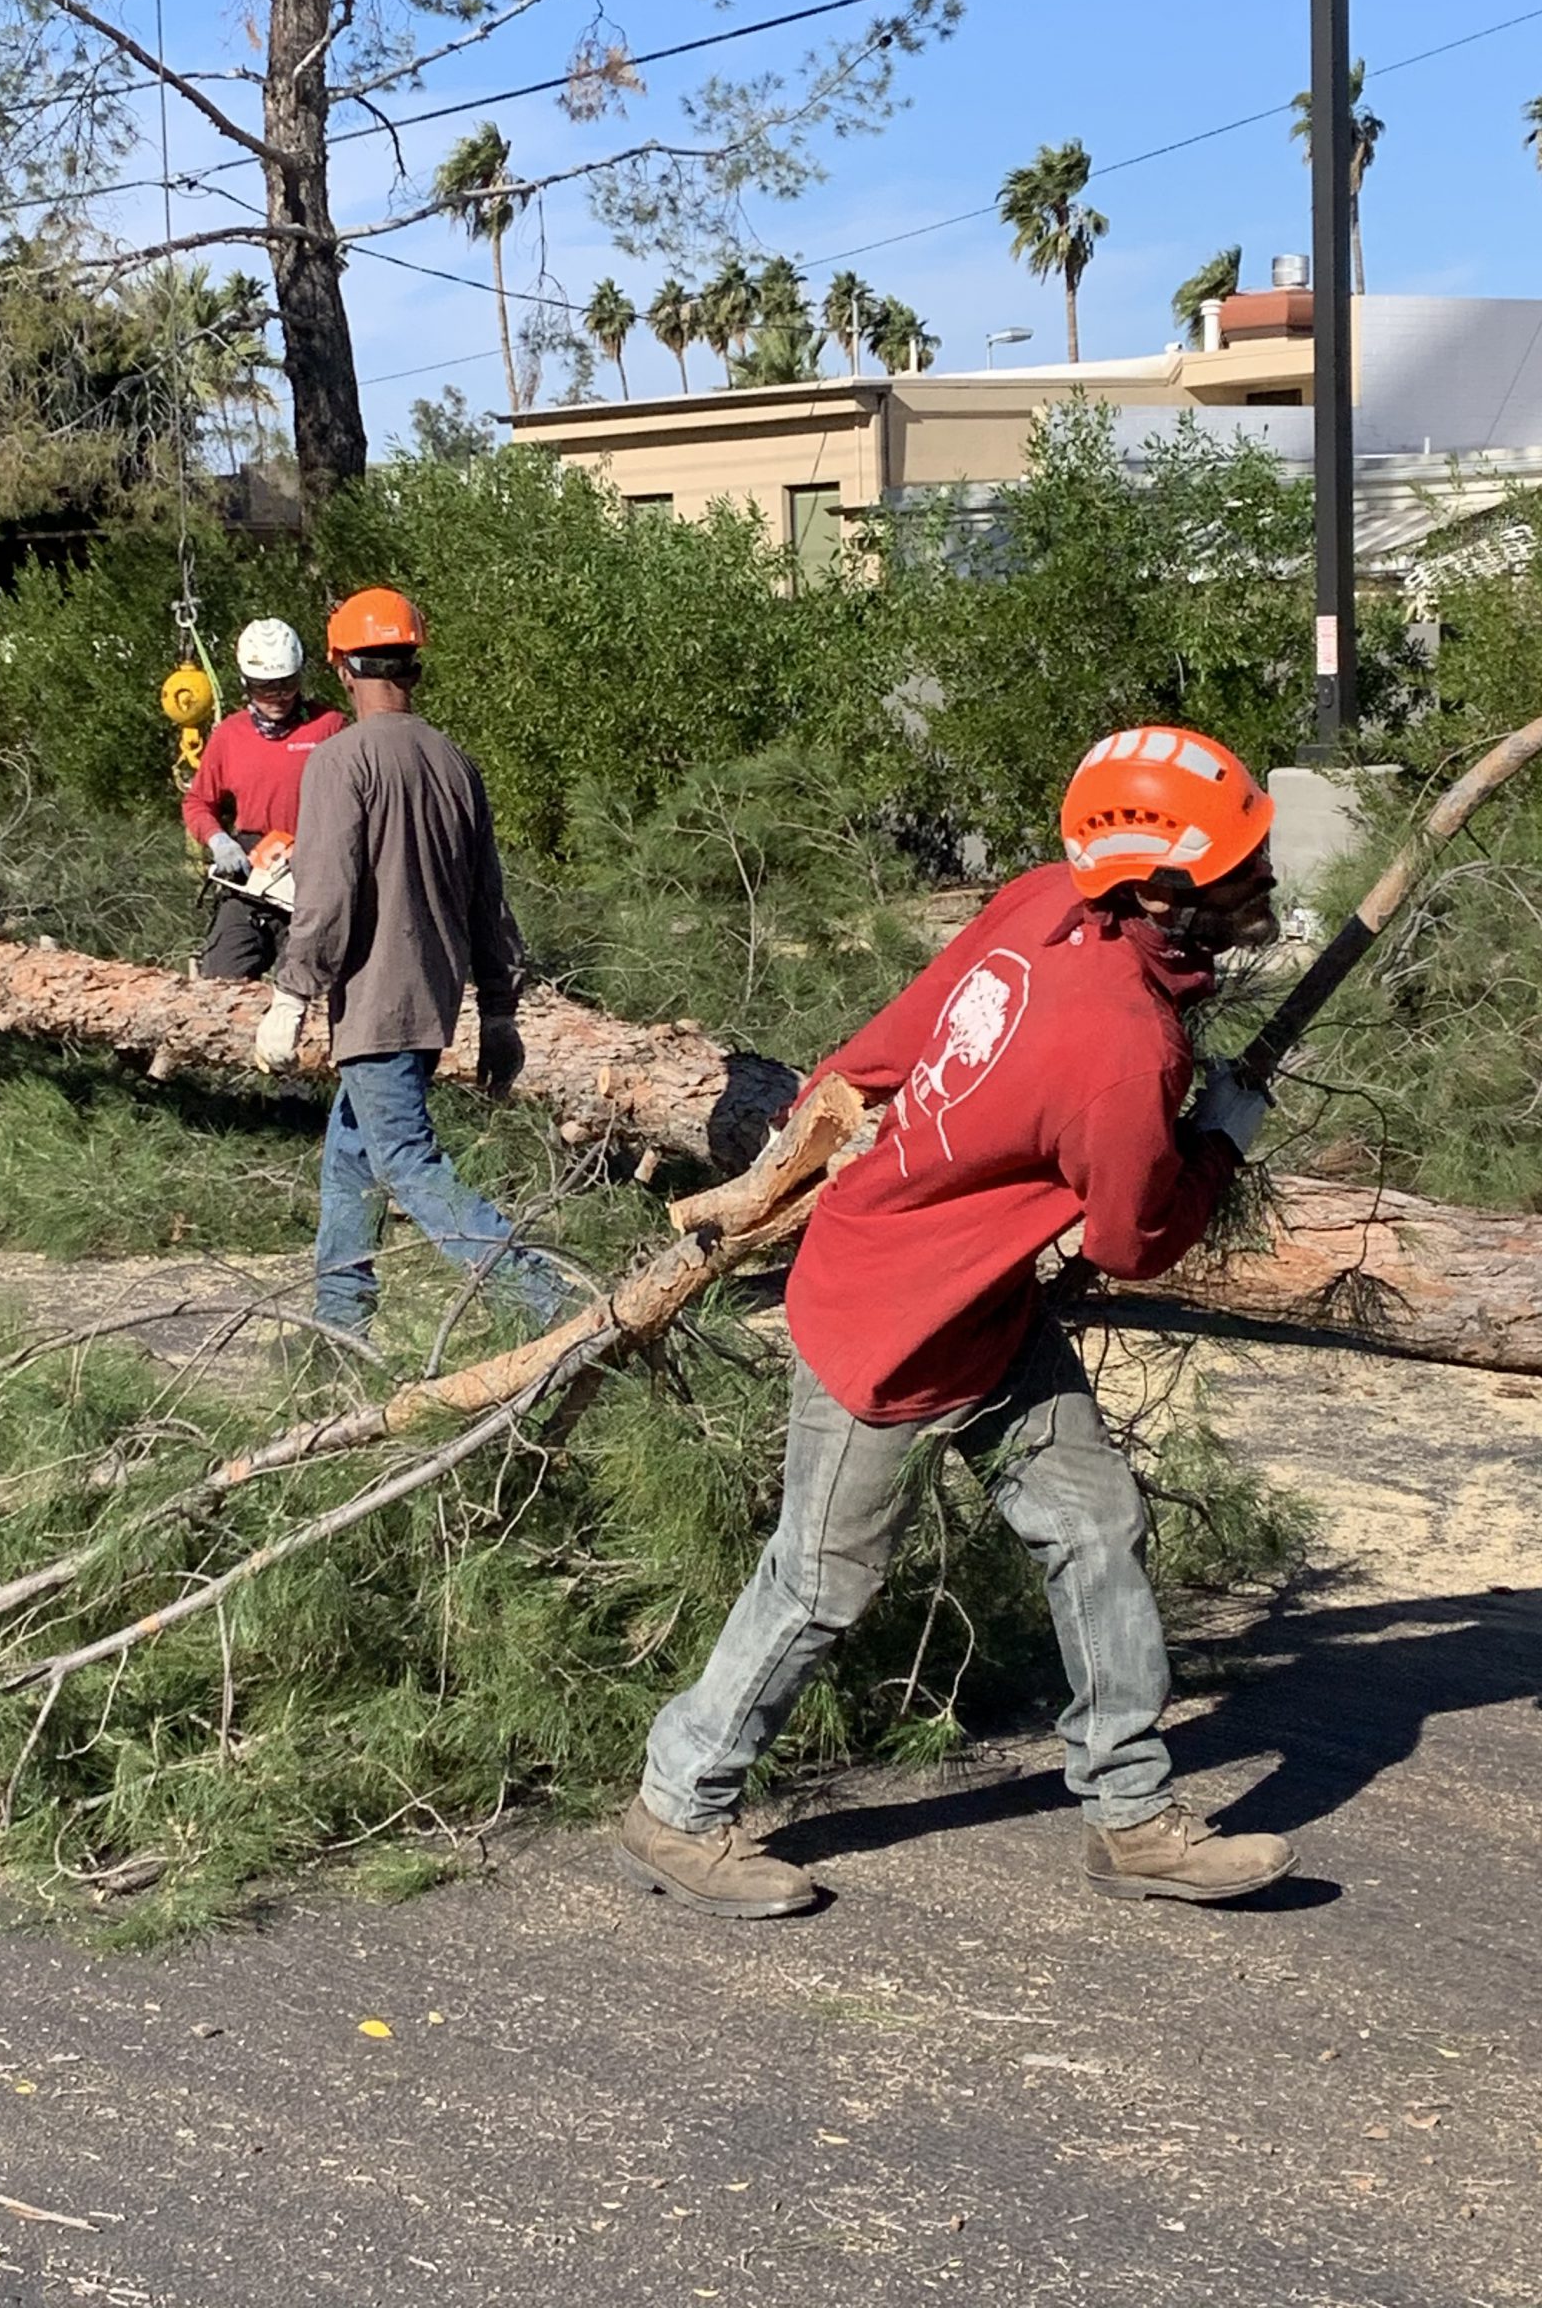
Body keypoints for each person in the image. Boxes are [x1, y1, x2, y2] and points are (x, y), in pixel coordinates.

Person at [618, 723, 1299, 1918]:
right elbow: (1132, 1241)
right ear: (1153, 887)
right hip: (886, 1325)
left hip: (984, 1312)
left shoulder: (1044, 901)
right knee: (821, 1581)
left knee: (1095, 1527)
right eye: (1238, 873)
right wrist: (1217, 1145)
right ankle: (678, 1805)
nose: (1263, 889)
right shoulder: (1126, 1043)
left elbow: (887, 1042)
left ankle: (1132, 1816)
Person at [250, 586, 573, 1338]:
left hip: (374, 1006)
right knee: (349, 1167)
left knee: (402, 1162)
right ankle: (339, 1330)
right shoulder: (454, 762)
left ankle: (541, 1299)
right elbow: (489, 902)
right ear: (412, 665)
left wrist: (290, 999)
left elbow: (324, 900)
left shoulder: (340, 761)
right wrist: (498, 1013)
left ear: (341, 669)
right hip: (432, 1003)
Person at [181, 618, 347, 980]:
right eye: (265, 688)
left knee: (306, 987)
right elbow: (197, 802)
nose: (278, 698)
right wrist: (218, 840)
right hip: (251, 874)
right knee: (220, 978)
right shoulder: (230, 735)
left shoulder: (330, 727)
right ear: (246, 685)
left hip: (313, 878)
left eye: (287, 685)